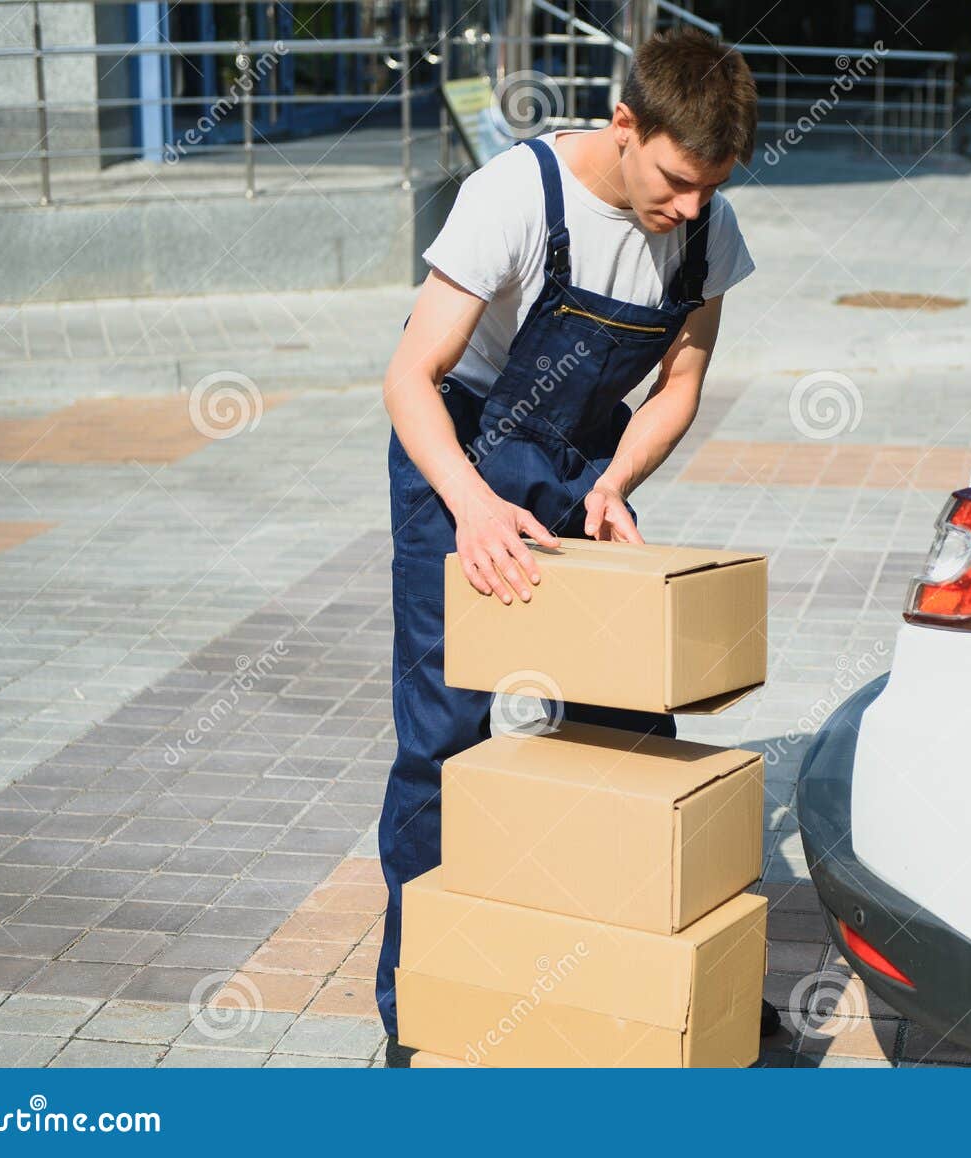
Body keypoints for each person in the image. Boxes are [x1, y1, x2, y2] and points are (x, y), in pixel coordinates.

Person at [377, 29, 776, 1064]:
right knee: (444, 738)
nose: (690, 209)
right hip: (462, 455)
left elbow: (680, 382)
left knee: (620, 725)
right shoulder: (515, 196)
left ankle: (624, 981)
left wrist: (611, 483)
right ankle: (418, 1007)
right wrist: (469, 504)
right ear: (625, 125)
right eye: (678, 181)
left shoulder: (703, 226)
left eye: (712, 188)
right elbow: (409, 376)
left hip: (581, 458)